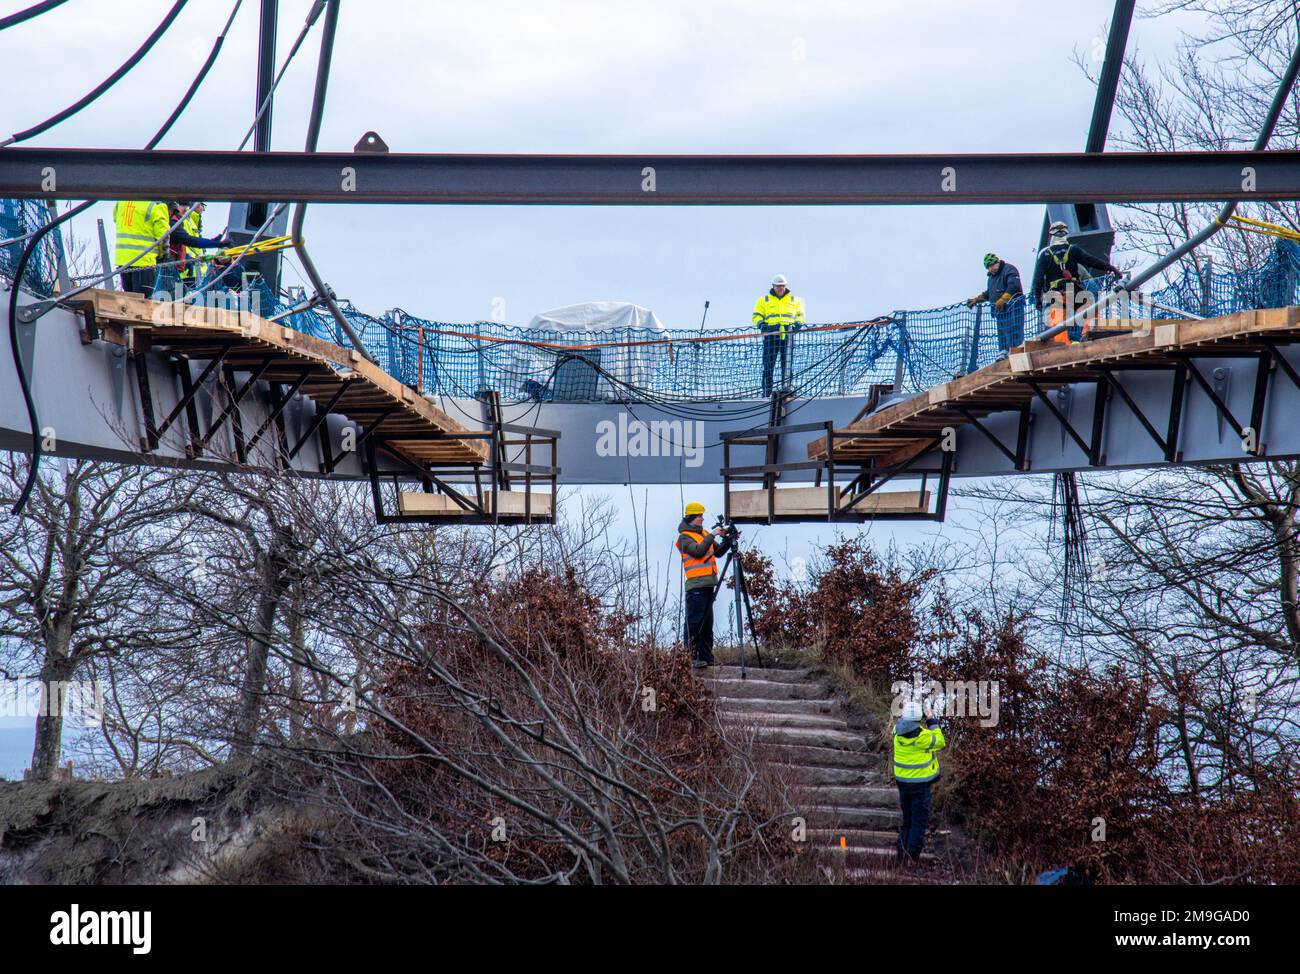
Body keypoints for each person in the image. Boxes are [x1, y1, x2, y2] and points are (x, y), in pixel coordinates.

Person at [1031, 221, 1123, 344]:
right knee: (1090, 309)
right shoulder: (1073, 250)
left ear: (1051, 235)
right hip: (1074, 291)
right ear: (1066, 233)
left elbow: (1038, 279)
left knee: (1058, 325)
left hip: (1055, 294)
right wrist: (1110, 268)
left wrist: (1037, 299)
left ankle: (1063, 346)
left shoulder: (1045, 254)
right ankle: (1089, 335)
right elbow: (1091, 261)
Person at [677, 501, 732, 668]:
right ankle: (691, 657)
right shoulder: (684, 538)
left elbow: (719, 552)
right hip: (695, 586)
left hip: (708, 585)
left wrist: (728, 539)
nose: (702, 518)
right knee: (694, 623)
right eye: (700, 516)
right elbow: (698, 551)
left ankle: (707, 656)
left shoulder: (704, 534)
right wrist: (712, 535)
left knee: (707, 623)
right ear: (692, 518)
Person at [893, 698, 946, 865]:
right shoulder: (923, 736)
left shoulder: (896, 731)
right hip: (920, 786)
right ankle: (912, 858)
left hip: (902, 783)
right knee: (918, 822)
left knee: (907, 821)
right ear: (919, 718)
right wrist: (931, 719)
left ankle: (901, 857)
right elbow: (940, 741)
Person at [152, 201, 228, 299]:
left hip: (181, 269)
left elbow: (190, 241)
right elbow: (189, 240)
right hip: (173, 270)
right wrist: (216, 243)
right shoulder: (173, 223)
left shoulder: (182, 221)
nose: (185, 210)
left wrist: (215, 241)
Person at [752, 274, 806, 397]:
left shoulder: (794, 300)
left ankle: (786, 391)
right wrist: (762, 325)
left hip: (787, 337)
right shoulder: (764, 300)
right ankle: (767, 392)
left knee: (786, 366)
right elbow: (756, 316)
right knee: (768, 366)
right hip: (771, 336)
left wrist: (798, 323)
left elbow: (800, 315)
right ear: (773, 286)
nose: (780, 288)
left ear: (785, 286)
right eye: (778, 286)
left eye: (782, 286)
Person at [965, 252, 1026, 353]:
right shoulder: (991, 278)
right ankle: (1004, 352)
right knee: (1003, 335)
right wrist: (977, 299)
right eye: (988, 267)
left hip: (1013, 309)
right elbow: (990, 293)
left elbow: (1014, 286)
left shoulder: (1009, 269)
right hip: (1000, 312)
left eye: (991, 266)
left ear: (997, 262)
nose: (990, 269)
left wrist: (1003, 299)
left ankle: (1016, 351)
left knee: (1014, 334)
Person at [112, 200, 170, 296]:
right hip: (144, 260)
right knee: (143, 299)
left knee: (129, 298)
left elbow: (115, 219)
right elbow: (163, 236)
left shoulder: (121, 202)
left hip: (123, 259)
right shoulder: (157, 205)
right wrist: (163, 254)